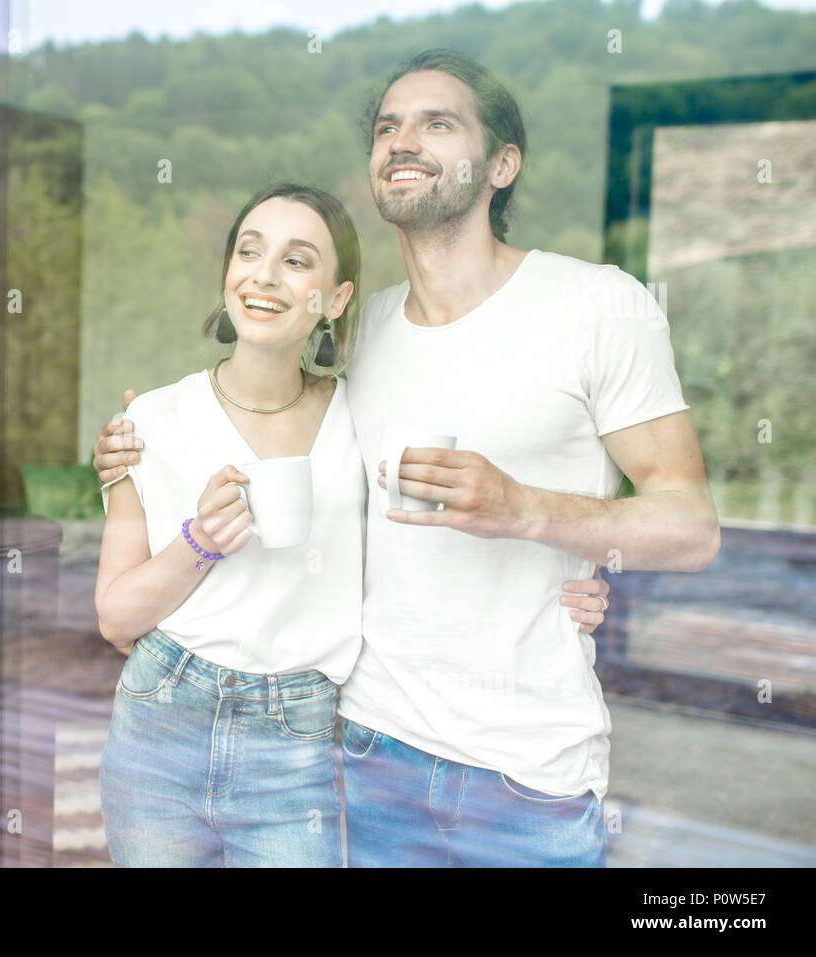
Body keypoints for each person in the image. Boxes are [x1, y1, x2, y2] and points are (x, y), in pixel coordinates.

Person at [93, 49, 714, 868]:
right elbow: (262, 404)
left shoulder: (597, 306)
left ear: (502, 163)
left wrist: (534, 513)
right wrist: (134, 446)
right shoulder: (366, 338)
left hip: (528, 775)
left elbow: (691, 527)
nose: (403, 139)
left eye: (437, 122)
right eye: (388, 126)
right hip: (364, 755)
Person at [94, 181, 611, 868]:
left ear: (334, 300)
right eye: (250, 251)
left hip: (297, 737)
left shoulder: (364, 414)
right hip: (161, 716)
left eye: (298, 259)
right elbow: (116, 618)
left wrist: (567, 575)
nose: (265, 274)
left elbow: (443, 524)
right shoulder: (151, 423)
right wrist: (200, 542)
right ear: (227, 277)